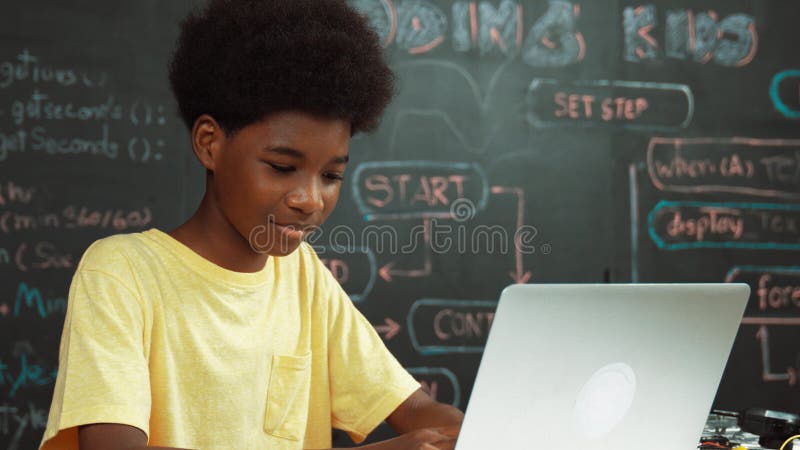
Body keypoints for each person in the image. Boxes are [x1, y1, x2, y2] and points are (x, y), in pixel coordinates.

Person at [39, 0, 464, 448]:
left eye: (331, 176)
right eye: (282, 167)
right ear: (209, 144)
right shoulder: (122, 274)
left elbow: (414, 410)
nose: (309, 199)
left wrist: (474, 431)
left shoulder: (303, 278)